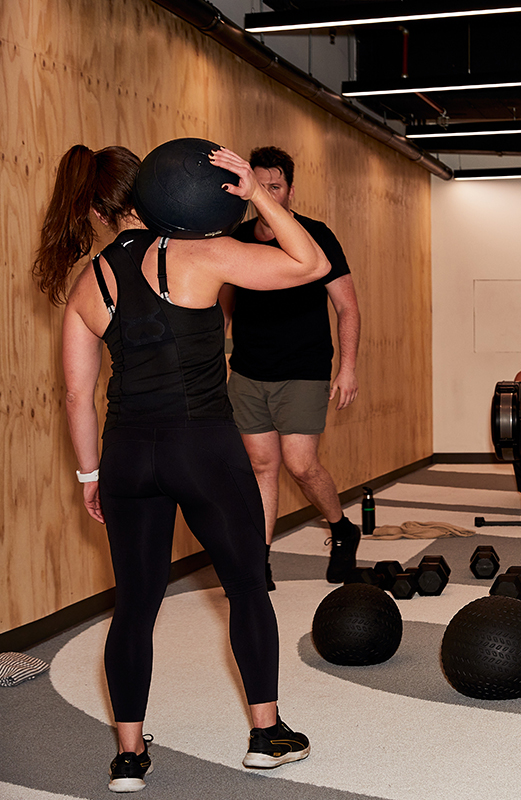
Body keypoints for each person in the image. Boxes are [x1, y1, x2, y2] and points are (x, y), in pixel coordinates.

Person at [34, 143, 328, 792]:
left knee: (134, 606)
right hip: (204, 450)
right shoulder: (197, 254)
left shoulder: (88, 284)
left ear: (100, 210)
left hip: (127, 457)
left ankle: (130, 756)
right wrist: (254, 193)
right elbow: (310, 263)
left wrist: (90, 477)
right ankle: (265, 735)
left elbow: (77, 397)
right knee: (247, 585)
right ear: (160, 190)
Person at [219, 146, 361, 587]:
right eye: (259, 186)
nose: (266, 194)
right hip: (247, 370)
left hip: (303, 369)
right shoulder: (236, 238)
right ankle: (259, 560)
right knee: (262, 467)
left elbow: (347, 308)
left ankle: (341, 529)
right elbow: (224, 305)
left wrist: (349, 367)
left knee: (301, 465)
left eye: (274, 186)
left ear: (290, 190)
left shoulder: (316, 236)